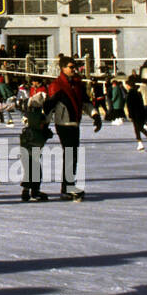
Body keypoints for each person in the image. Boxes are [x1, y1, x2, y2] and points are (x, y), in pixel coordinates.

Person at [42, 59, 99, 201]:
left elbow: (85, 103)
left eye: (76, 67)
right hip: (63, 124)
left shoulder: (77, 84)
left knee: (72, 154)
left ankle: (67, 186)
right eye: (71, 67)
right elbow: (49, 107)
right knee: (70, 153)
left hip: (74, 123)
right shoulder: (57, 85)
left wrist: (95, 115)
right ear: (63, 68)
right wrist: (44, 124)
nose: (74, 70)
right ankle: (68, 186)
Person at [18, 90, 53, 200]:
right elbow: (42, 129)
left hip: (26, 145)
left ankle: (29, 190)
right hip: (34, 145)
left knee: (30, 168)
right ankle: (32, 191)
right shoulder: (40, 117)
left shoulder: (27, 115)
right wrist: (47, 133)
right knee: (35, 169)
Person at [126, 76, 147, 151]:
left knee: (139, 128)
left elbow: (130, 106)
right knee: (137, 128)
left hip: (136, 114)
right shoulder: (137, 92)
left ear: (129, 85)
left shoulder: (130, 94)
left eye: (127, 85)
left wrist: (130, 114)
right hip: (140, 113)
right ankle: (140, 144)